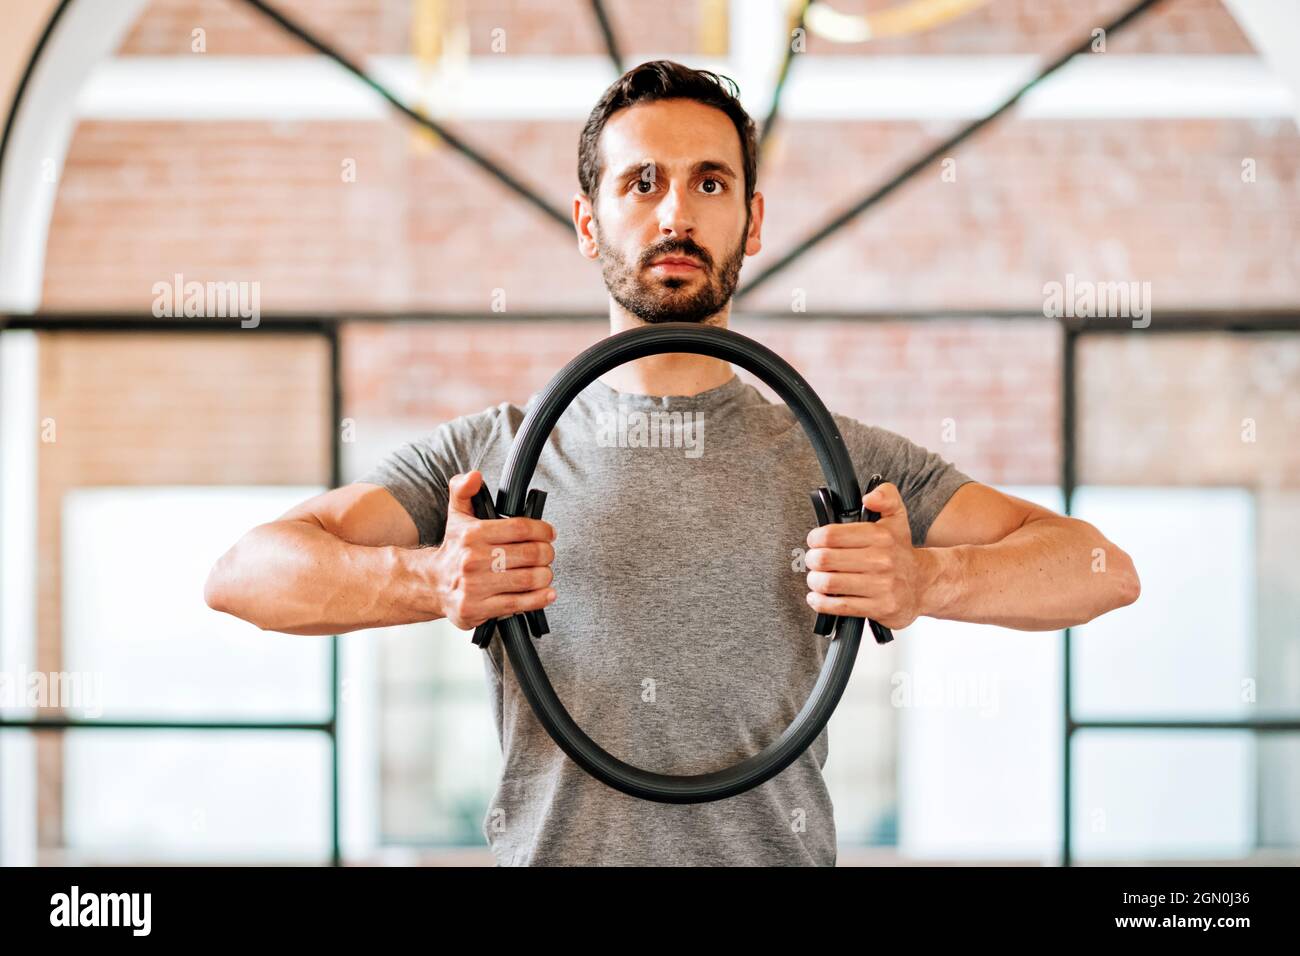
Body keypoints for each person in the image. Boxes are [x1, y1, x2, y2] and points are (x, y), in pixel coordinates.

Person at [205, 60, 1140, 866]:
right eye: (641, 182)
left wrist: (924, 576)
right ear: (587, 221)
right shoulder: (491, 455)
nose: (675, 213)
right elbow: (243, 575)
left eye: (708, 183)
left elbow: (1102, 571)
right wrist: (428, 577)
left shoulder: (846, 463)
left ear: (753, 218)